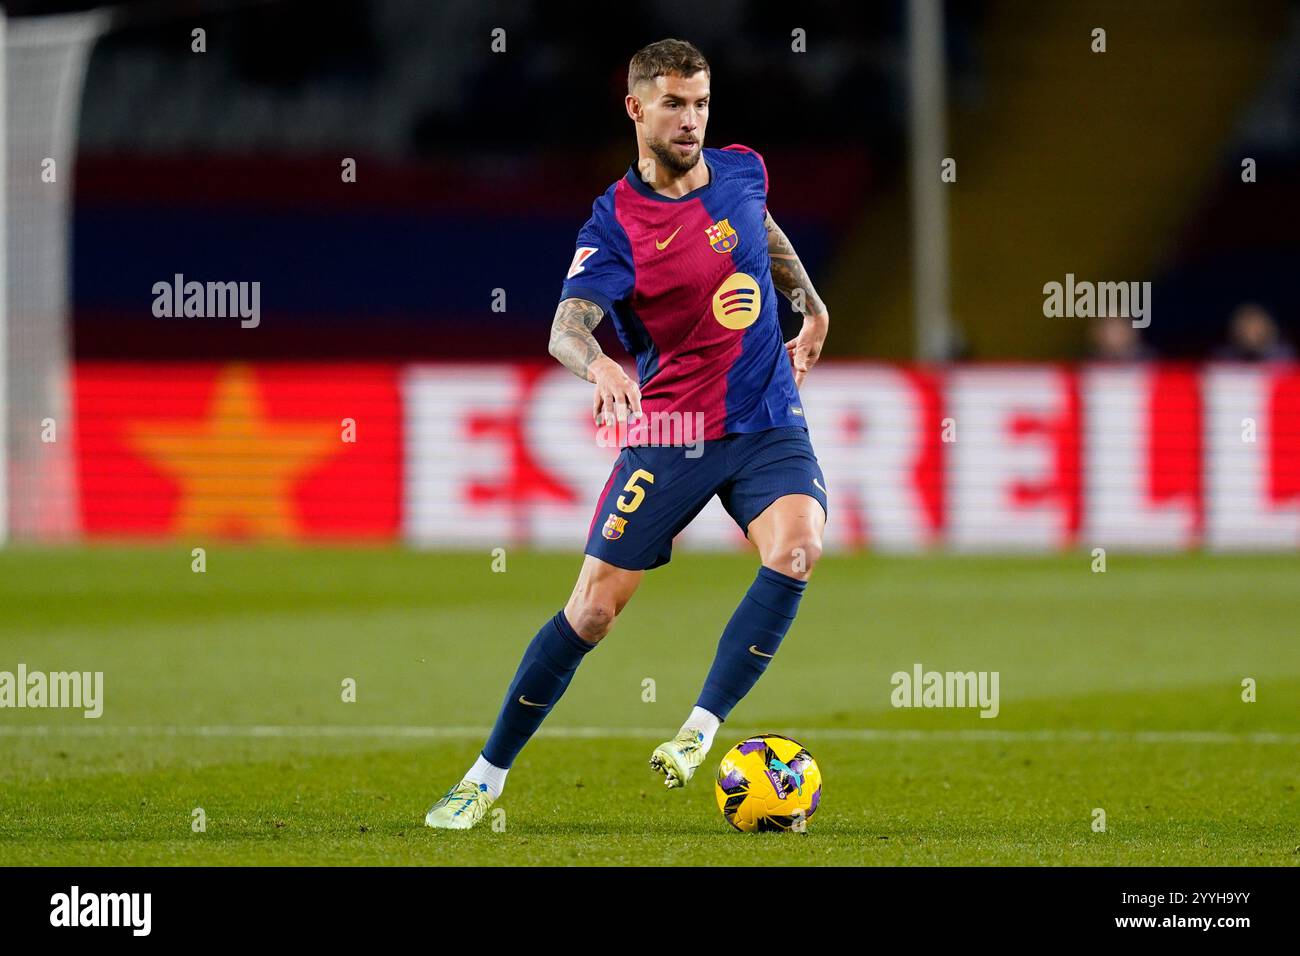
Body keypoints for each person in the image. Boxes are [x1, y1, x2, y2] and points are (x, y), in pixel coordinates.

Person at [425, 38, 831, 829]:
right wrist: (603, 369)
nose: (692, 120)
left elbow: (763, 230)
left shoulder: (743, 168)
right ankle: (485, 776)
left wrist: (810, 305)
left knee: (799, 548)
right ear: (636, 107)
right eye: (675, 104)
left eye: (703, 103)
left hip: (767, 420)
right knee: (593, 613)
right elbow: (565, 330)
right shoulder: (614, 225)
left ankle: (698, 730)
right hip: (672, 431)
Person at [1214, 303, 1295, 362]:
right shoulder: (1225, 357)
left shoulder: (1283, 355)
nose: (1250, 332)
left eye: (1256, 327)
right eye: (1245, 327)